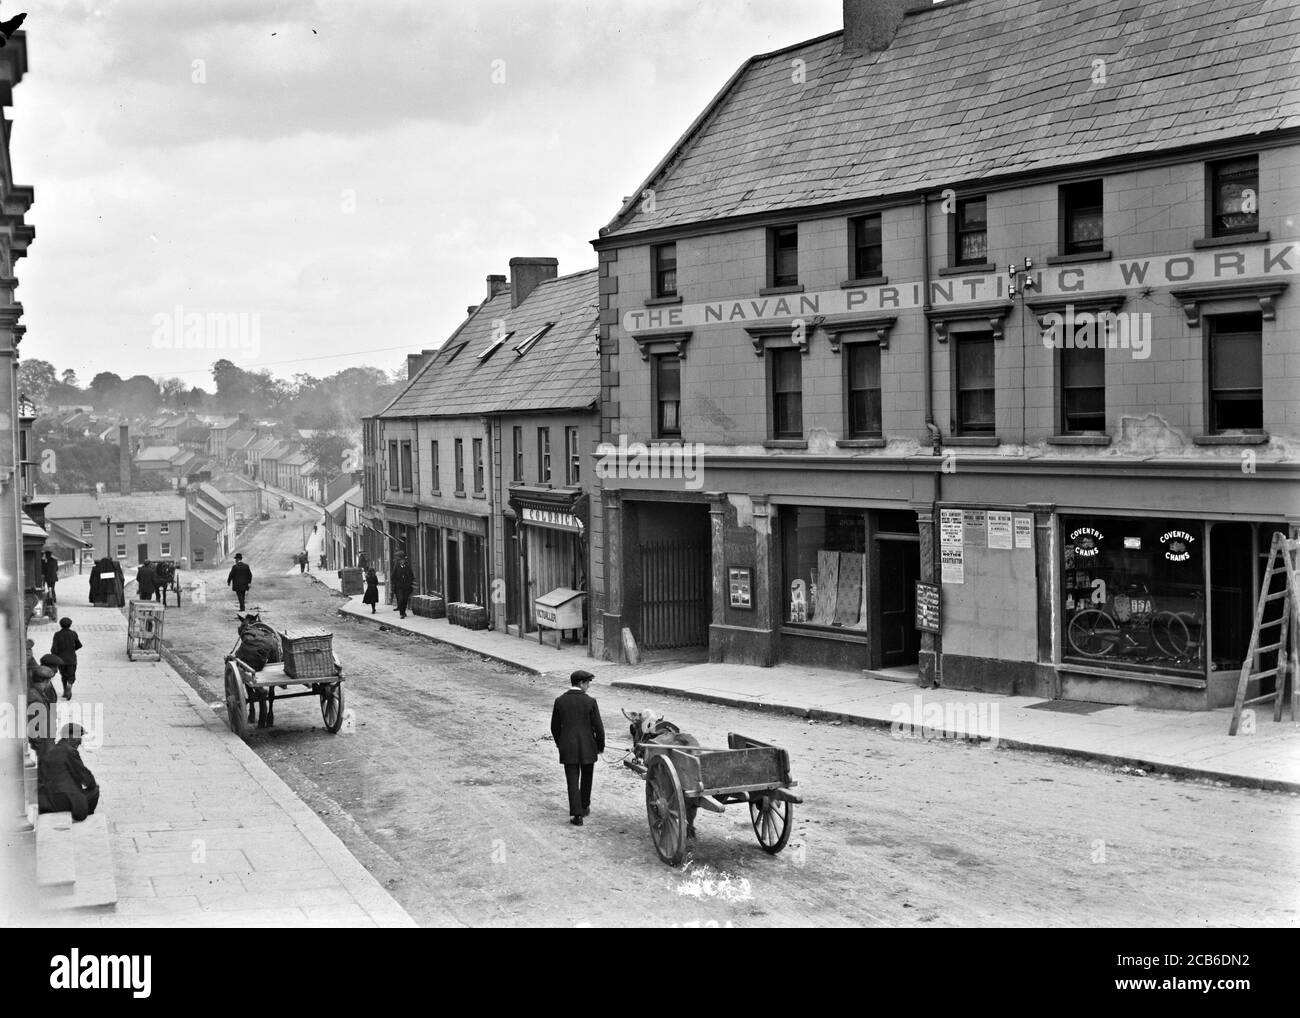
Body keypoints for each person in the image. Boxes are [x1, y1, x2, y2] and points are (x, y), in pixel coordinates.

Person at [549, 669, 605, 826]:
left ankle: (577, 815)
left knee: (572, 780)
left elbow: (554, 727)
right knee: (587, 777)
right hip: (588, 746)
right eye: (588, 683)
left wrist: (561, 743)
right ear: (581, 683)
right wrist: (600, 746)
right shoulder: (590, 701)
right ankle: (584, 806)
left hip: (568, 747)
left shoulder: (560, 701)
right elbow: (599, 728)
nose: (589, 687)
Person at [37, 723, 99, 823]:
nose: (80, 741)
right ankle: (85, 815)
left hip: (49, 801)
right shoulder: (70, 751)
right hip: (63, 801)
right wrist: (91, 785)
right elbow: (86, 778)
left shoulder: (54, 750)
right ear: (70, 737)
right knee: (95, 791)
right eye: (79, 737)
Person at [26, 664, 57, 760]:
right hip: (44, 742)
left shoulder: (38, 693)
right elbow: (32, 726)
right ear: (46, 681)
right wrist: (39, 743)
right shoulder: (34, 698)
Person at [51, 617, 83, 700]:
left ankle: (65, 691)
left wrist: (55, 656)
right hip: (72, 659)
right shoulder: (73, 634)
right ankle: (69, 685)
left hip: (61, 659)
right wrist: (72, 649)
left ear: (60, 625)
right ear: (70, 624)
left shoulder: (57, 635)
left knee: (63, 675)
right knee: (71, 675)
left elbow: (54, 649)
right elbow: (79, 645)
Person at [391, 555, 415, 619]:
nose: (402, 561)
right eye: (401, 560)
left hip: (406, 587)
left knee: (405, 600)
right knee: (401, 599)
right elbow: (392, 577)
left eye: (403, 560)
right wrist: (396, 583)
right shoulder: (397, 567)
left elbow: (411, 576)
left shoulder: (407, 567)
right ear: (399, 561)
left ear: (405, 561)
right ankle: (401, 613)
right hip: (399, 587)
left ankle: (404, 611)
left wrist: (409, 583)